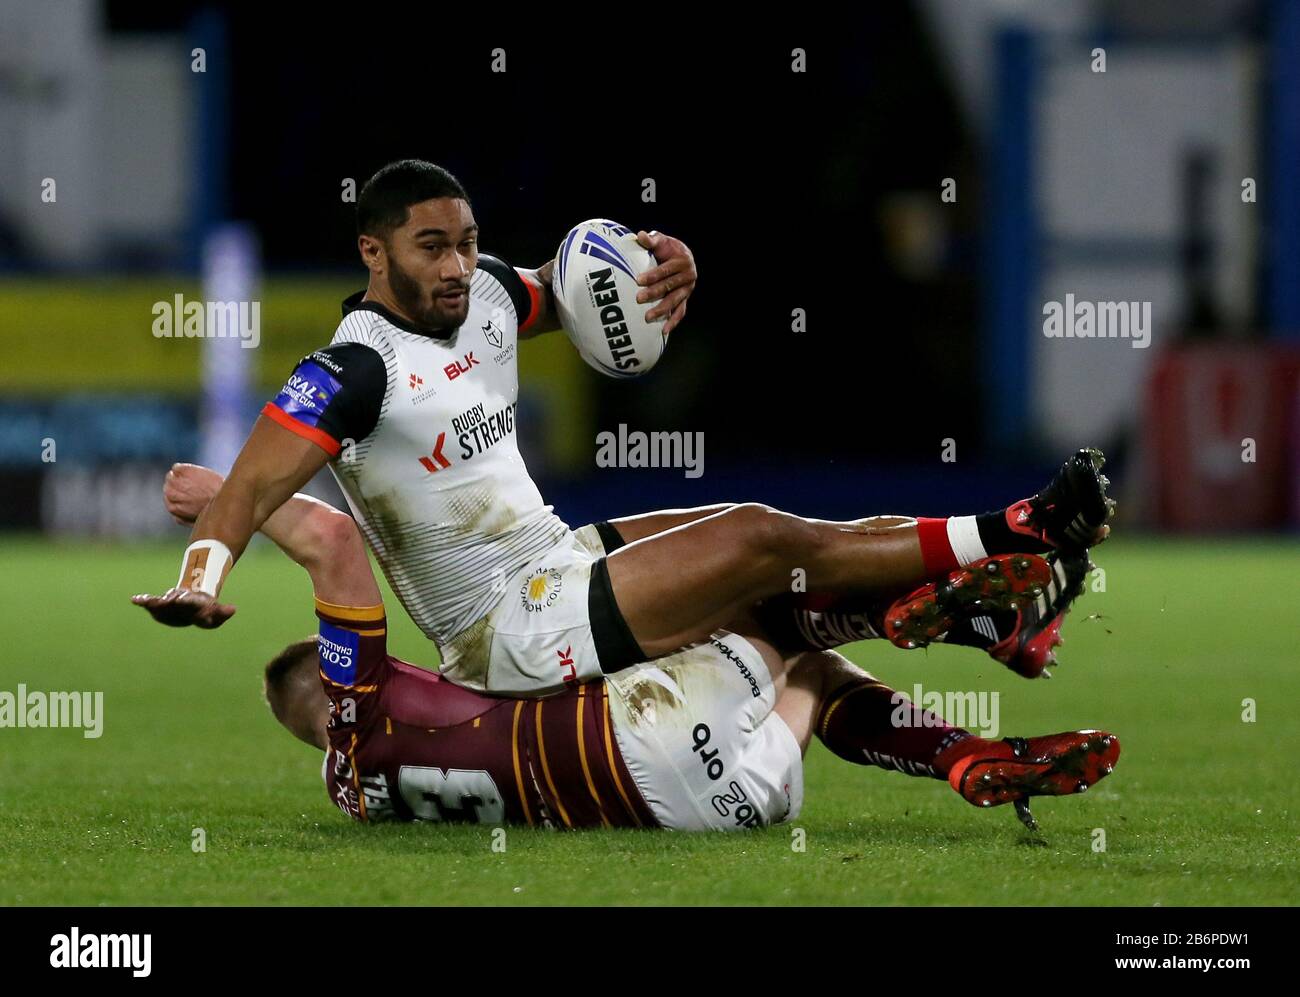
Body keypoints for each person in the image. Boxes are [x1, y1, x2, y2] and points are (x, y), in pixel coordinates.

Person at [138, 463, 1121, 832]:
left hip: (707, 803)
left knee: (805, 669)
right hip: (637, 727)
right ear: (341, 677)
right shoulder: (368, 691)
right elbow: (334, 538)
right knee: (779, 592)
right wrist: (231, 501)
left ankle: (966, 752)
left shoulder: (351, 788)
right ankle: (961, 600)